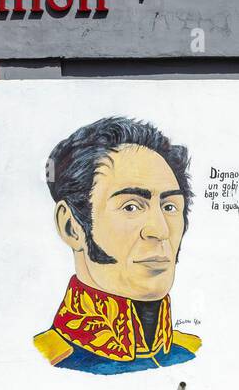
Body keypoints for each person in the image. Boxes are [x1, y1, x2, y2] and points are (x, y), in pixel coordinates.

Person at [33, 117, 201, 374]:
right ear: (71, 226)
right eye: (131, 206)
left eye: (169, 207)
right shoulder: (46, 360)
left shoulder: (189, 352)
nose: (160, 230)